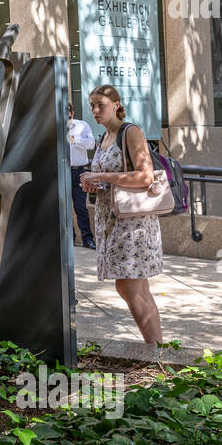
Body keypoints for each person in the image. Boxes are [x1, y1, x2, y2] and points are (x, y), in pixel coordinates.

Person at [78, 85, 164, 345]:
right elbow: (111, 179)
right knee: (137, 287)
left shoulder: (130, 131)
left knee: (128, 286)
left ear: (116, 104)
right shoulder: (104, 136)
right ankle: (158, 349)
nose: (95, 110)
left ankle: (155, 351)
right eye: (92, 105)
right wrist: (93, 184)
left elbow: (146, 176)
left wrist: (101, 176)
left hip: (133, 222)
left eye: (100, 105)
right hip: (110, 220)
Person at [67, 101, 96, 249]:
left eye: (67, 112)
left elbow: (91, 144)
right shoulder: (55, 127)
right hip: (62, 171)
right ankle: (68, 239)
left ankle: (87, 239)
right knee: (64, 207)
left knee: (80, 207)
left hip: (79, 171)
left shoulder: (82, 126)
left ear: (72, 112)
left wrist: (76, 140)